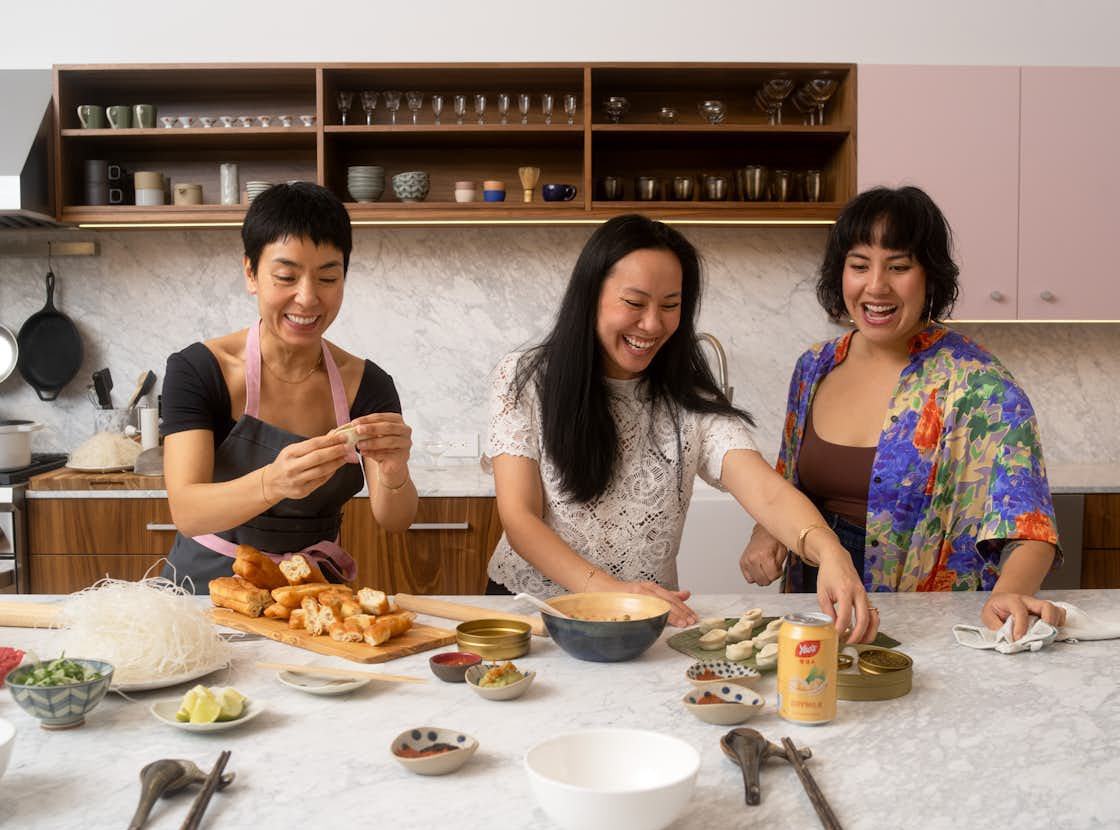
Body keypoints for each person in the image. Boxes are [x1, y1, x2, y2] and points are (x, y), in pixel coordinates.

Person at [486, 213, 876, 638]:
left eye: (670, 306)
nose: (652, 324)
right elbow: (519, 518)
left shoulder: (690, 401)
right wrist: (612, 593)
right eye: (634, 303)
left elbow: (764, 490)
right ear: (590, 296)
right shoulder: (526, 377)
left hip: (642, 622)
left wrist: (829, 549)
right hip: (531, 614)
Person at [740, 185, 1064, 640]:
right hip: (817, 609)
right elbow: (787, 483)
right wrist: (766, 531)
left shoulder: (981, 387)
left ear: (930, 276)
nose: (876, 286)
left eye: (898, 266)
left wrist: (1007, 594)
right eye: (859, 265)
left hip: (925, 623)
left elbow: (1030, 528)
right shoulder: (814, 367)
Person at [160, 182, 417, 589]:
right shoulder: (200, 369)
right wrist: (274, 482)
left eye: (328, 278)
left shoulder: (366, 384)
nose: (307, 298)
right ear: (251, 273)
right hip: (203, 592)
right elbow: (188, 511)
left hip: (312, 593)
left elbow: (395, 519)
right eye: (286, 276)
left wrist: (395, 467)